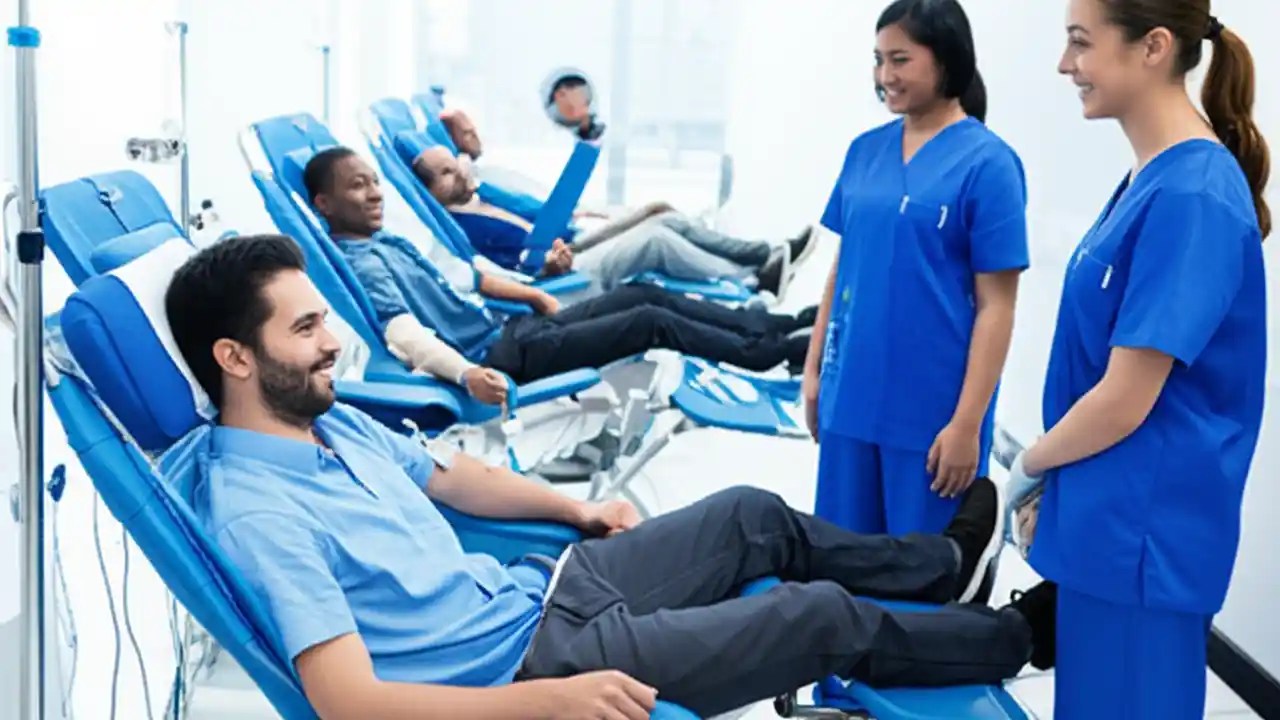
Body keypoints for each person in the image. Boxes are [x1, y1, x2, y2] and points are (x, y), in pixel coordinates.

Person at [164, 232, 1058, 719]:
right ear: (235, 357)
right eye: (306, 329)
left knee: (749, 515)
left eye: (324, 319)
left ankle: (940, 568)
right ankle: (1017, 637)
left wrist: (577, 509)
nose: (332, 343)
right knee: (813, 615)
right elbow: (348, 704)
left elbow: (454, 479)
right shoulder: (256, 511)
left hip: (542, 591)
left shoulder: (331, 420)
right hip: (526, 668)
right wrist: (546, 702)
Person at [1004, 1, 1270, 717]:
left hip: (1145, 544)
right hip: (1110, 532)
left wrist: (1030, 465)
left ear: (1153, 47)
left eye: (1080, 43)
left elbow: (1125, 398)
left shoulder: (1193, 195)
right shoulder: (1155, 177)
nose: (1065, 65)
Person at [301, 147, 816, 389]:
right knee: (650, 321)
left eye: (374, 182)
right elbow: (403, 334)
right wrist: (468, 373)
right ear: (323, 204)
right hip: (500, 356)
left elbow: (473, 279)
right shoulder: (362, 261)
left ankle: (777, 324)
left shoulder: (388, 241)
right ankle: (769, 354)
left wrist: (533, 295)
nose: (375, 193)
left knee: (644, 295)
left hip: (513, 329)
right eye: (358, 186)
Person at [807, 0, 1029, 537]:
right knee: (838, 566)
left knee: (921, 576)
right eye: (878, 60)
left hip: (931, 418)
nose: (885, 75)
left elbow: (997, 307)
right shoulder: (864, 153)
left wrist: (967, 424)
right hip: (850, 400)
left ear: (946, 58)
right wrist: (814, 373)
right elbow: (842, 270)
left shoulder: (989, 164)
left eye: (900, 59)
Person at [407, 143, 812, 299]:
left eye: (453, 165)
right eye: (445, 174)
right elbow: (508, 273)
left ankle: (763, 255)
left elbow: (537, 211)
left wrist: (465, 165)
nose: (457, 173)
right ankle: (751, 280)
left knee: (663, 216)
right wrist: (548, 266)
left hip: (569, 238)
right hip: (560, 273)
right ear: (428, 193)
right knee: (655, 240)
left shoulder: (481, 193)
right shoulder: (461, 230)